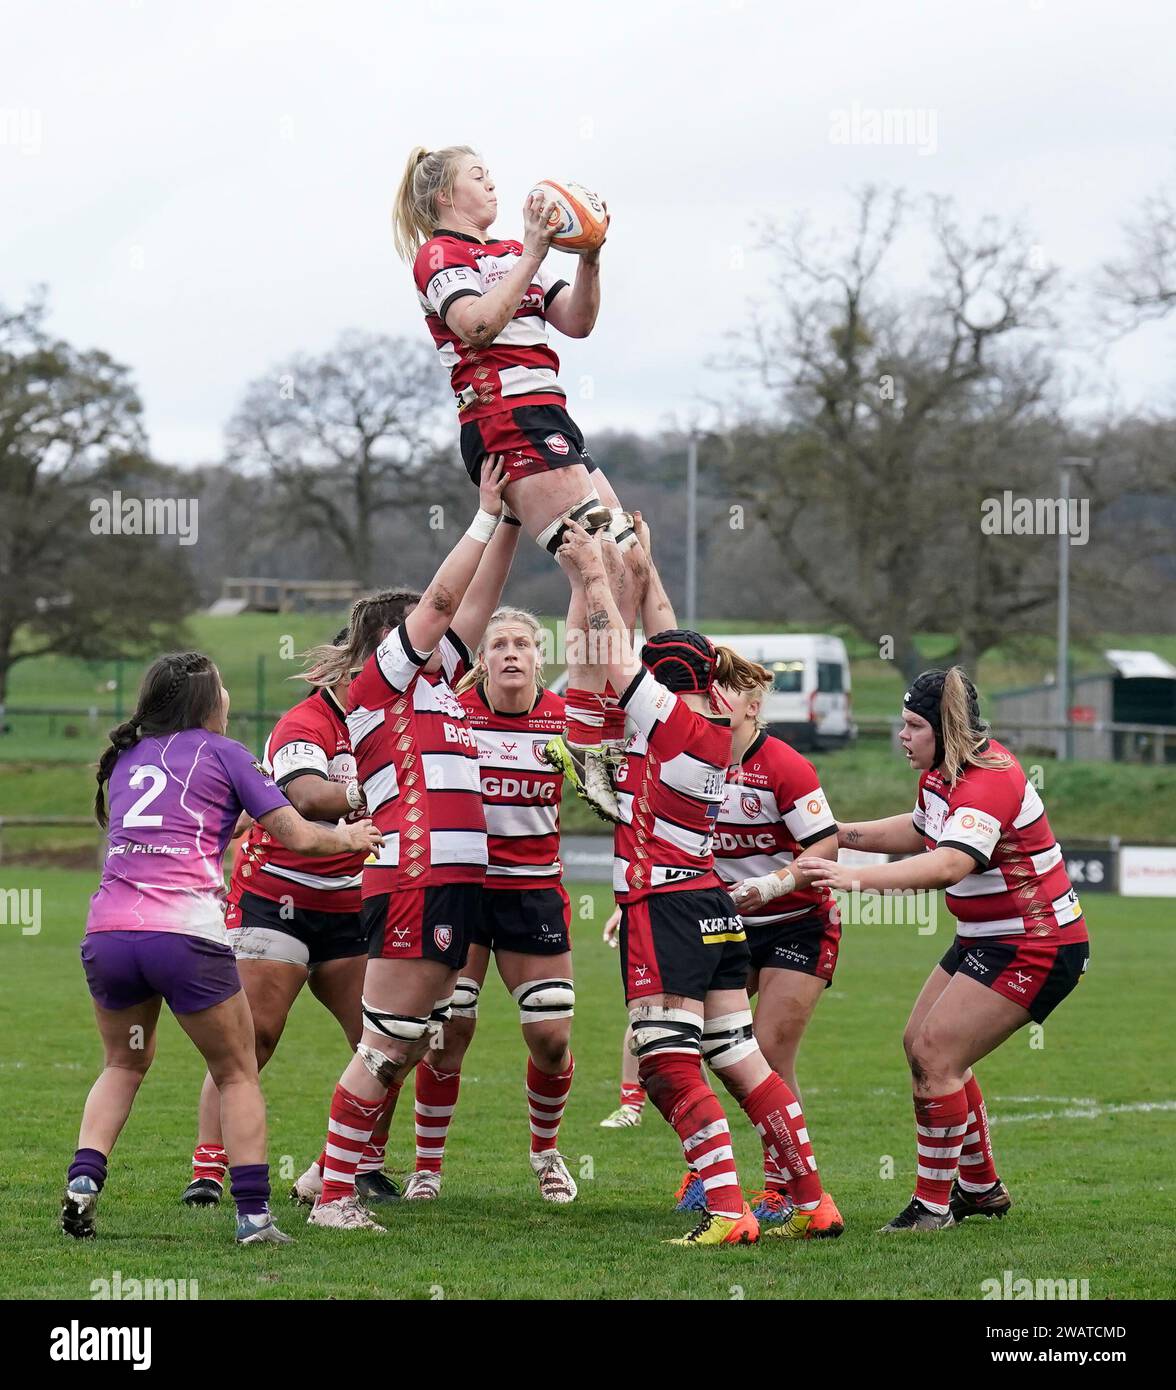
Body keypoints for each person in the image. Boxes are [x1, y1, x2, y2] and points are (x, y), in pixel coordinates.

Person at [557, 522, 830, 1245]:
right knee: (740, 1058)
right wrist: (629, 570)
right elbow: (633, 648)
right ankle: (813, 1201)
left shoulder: (672, 724)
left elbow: (616, 653)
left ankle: (728, 1211)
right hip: (710, 904)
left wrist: (593, 573)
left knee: (666, 1066)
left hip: (667, 906)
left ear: (665, 687)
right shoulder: (704, 724)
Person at [63, 652, 382, 1245]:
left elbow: (198, 821)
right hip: (184, 937)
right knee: (237, 1073)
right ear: (207, 701)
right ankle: (254, 1217)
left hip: (108, 935)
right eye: (223, 687)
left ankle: (83, 1180)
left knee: (123, 1064)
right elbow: (299, 835)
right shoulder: (226, 753)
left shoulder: (128, 757)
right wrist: (351, 837)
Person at [393, 145, 649, 819]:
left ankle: (593, 723)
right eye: (477, 176)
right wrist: (535, 251)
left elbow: (578, 322)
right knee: (595, 563)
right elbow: (477, 324)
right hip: (505, 420)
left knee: (630, 566)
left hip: (551, 416)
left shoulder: (512, 250)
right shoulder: (441, 255)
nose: (492, 184)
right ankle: (587, 738)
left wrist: (589, 254)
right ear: (445, 196)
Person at [799, 667, 1091, 1232]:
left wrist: (851, 878)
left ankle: (932, 1208)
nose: (902, 736)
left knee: (937, 1055)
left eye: (914, 725)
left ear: (945, 728)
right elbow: (920, 831)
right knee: (922, 1045)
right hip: (988, 937)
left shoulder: (989, 780)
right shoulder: (942, 774)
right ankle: (980, 1189)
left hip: (1036, 943)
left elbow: (950, 863)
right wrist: (839, 833)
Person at [306, 459, 518, 1232]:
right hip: (412, 881)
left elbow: (475, 605)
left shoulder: (433, 684)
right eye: (422, 630)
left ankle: (323, 1175)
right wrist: (483, 513)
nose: (442, 636)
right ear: (388, 641)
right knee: (386, 1045)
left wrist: (513, 520)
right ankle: (332, 1196)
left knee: (399, 1043)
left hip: (447, 885)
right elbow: (444, 600)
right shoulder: (379, 686)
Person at [181, 630, 399, 1211]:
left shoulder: (391, 721)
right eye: (371, 666)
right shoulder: (305, 723)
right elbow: (308, 798)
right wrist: (377, 791)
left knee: (387, 1044)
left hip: (351, 905)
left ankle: (344, 1168)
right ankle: (208, 1167)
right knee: (252, 1039)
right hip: (275, 899)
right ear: (341, 671)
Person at [401, 607, 577, 1203]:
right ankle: (427, 1168)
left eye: (522, 644)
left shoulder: (564, 721)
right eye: (498, 644)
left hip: (534, 894)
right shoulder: (456, 717)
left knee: (550, 1038)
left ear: (539, 657)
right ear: (481, 659)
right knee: (448, 1031)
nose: (510, 653)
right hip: (465, 892)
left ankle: (546, 1154)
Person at [670, 661, 845, 1236]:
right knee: (680, 1043)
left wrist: (773, 885)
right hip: (725, 923)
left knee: (767, 1050)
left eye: (730, 689)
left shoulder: (784, 765)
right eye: (709, 688)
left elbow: (826, 845)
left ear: (753, 706)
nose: (715, 697)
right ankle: (707, 1172)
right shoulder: (690, 761)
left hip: (798, 923)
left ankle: (781, 1186)